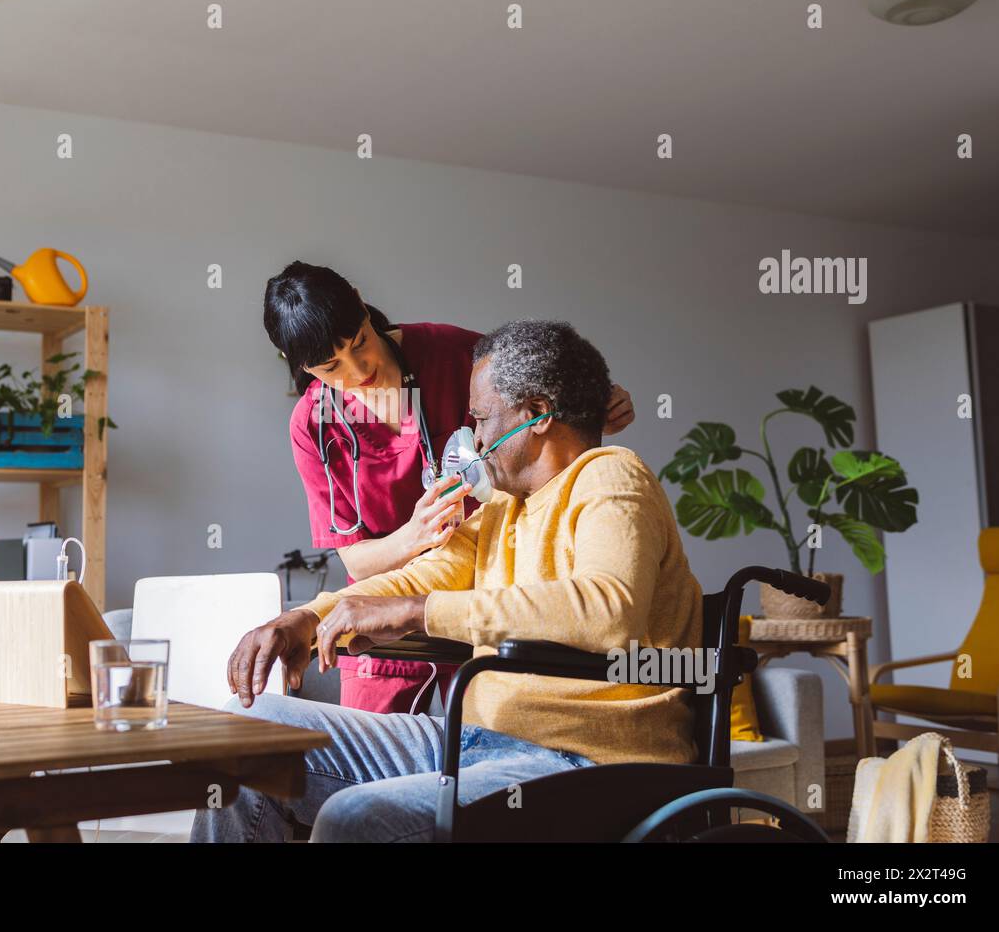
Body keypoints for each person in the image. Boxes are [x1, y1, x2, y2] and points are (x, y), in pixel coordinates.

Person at [195, 319, 702, 842]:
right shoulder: (501, 508)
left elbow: (608, 611)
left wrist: (420, 614)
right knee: (247, 737)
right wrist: (306, 618)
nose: (474, 438)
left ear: (537, 414)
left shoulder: (610, 475)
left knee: (355, 819)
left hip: (584, 763)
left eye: (481, 418)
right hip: (472, 743)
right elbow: (419, 579)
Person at [265, 261, 634, 714]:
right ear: (298, 365)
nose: (358, 368)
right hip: (384, 603)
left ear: (362, 303)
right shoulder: (313, 425)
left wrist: (600, 401)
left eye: (359, 342)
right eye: (329, 366)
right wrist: (413, 538)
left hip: (485, 590)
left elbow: (544, 389)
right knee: (369, 746)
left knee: (504, 717)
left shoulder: (452, 353)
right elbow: (356, 558)